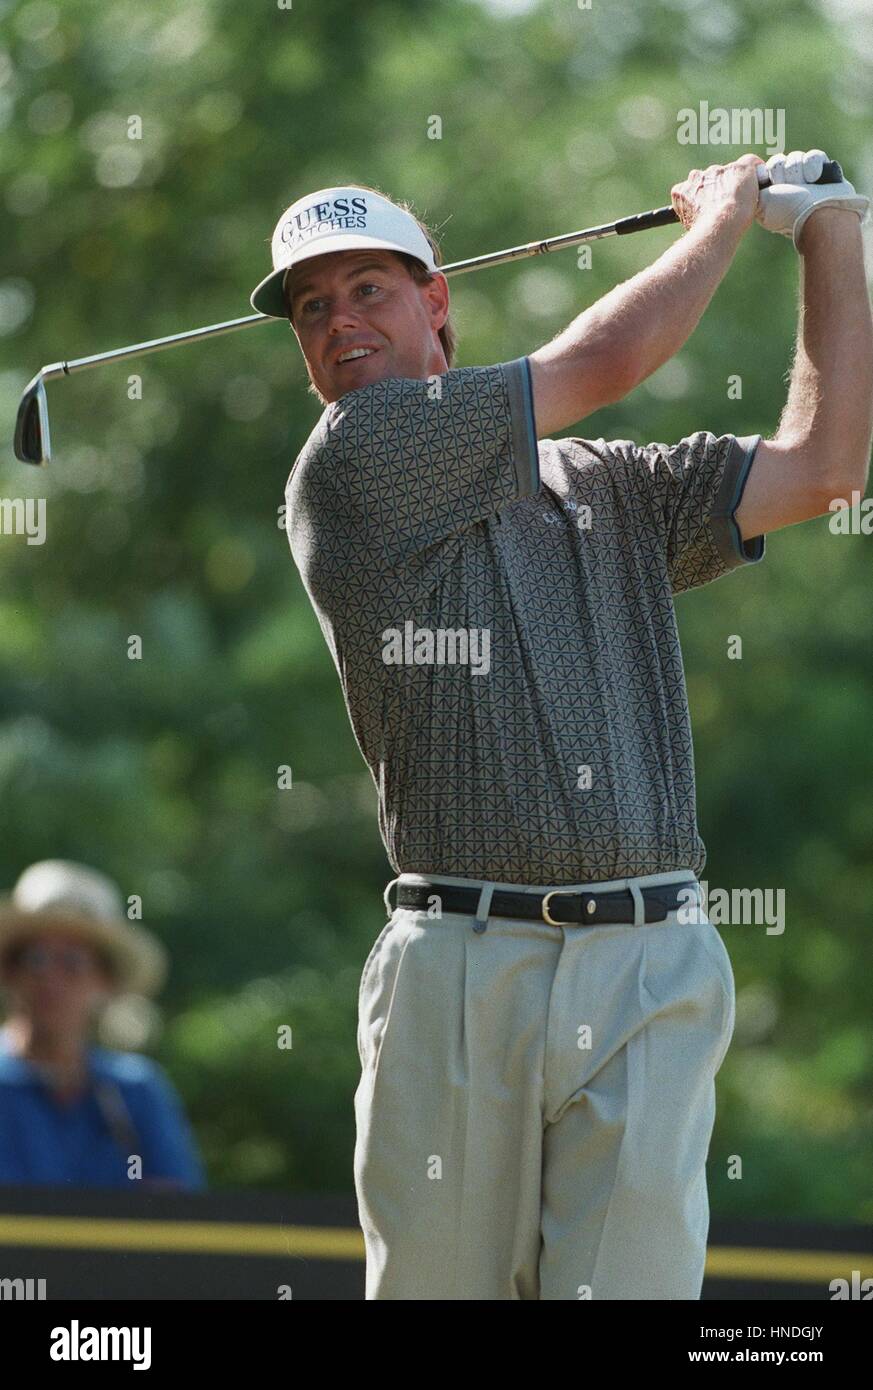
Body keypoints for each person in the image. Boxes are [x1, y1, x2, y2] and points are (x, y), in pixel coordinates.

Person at [250, 153, 872, 1299]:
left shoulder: (608, 483)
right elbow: (609, 359)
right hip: (461, 965)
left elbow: (828, 469)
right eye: (310, 306)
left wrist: (833, 230)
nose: (338, 323)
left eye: (368, 289)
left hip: (648, 959)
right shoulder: (355, 459)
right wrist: (728, 218)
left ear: (437, 302)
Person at [0, 860, 205, 1191]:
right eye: (36, 959)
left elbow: (179, 1219)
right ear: (9, 972)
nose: (51, 979)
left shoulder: (138, 1092)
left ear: (105, 983)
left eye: (73, 963)